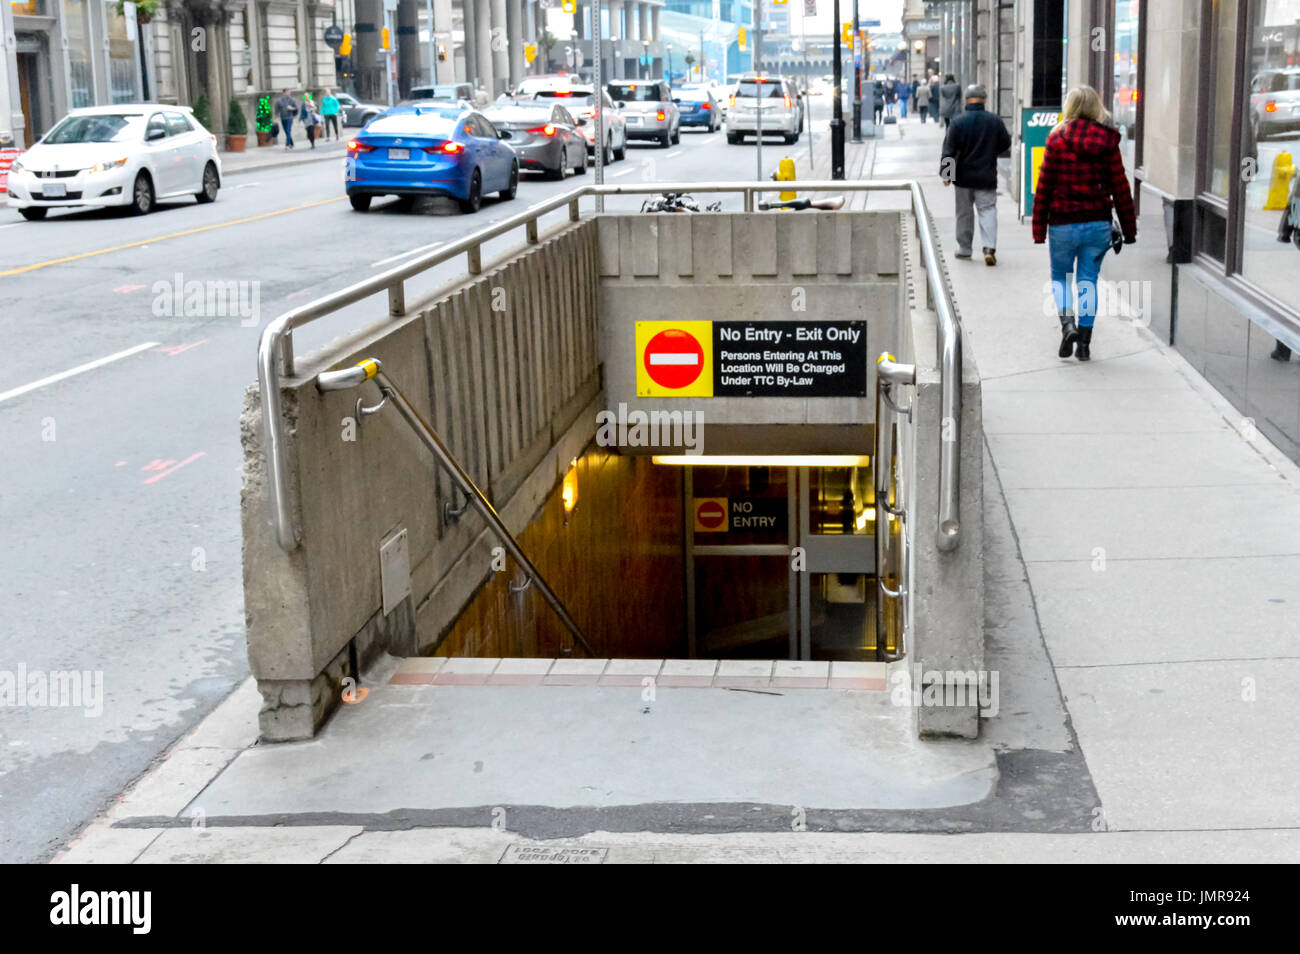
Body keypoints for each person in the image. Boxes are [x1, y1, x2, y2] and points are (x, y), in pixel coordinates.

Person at [1032, 85, 1137, 361]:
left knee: (1061, 279)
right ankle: (1085, 346)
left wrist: (1038, 229)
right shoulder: (1108, 142)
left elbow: (1044, 187)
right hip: (1097, 224)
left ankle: (1068, 326)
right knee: (1088, 282)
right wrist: (1129, 229)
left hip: (1063, 224)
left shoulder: (1056, 140)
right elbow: (1121, 187)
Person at [940, 84, 1012, 267]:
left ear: (966, 100)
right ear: (984, 100)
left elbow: (949, 148)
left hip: (963, 178)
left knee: (964, 213)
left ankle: (965, 248)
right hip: (986, 176)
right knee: (987, 210)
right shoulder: (994, 121)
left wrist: (947, 174)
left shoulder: (957, 122)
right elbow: (1005, 144)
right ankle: (989, 248)